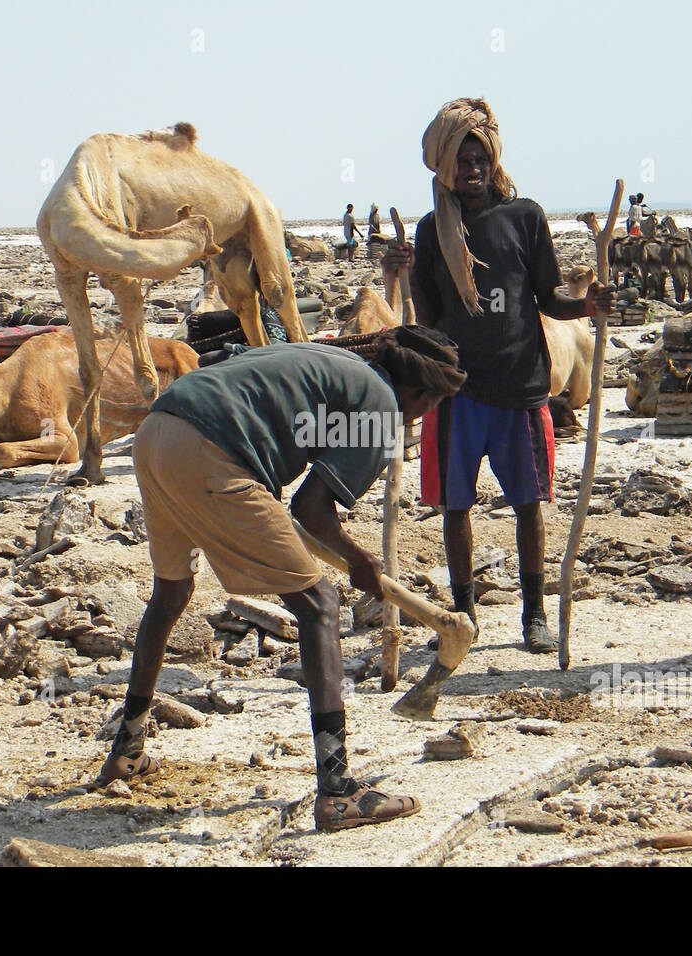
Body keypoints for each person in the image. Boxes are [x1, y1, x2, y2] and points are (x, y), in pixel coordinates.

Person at [96, 328, 468, 831]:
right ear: (422, 397)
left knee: (172, 591)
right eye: (430, 408)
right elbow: (312, 509)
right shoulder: (381, 407)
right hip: (213, 450)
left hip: (159, 431)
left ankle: (127, 750)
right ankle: (337, 792)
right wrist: (360, 560)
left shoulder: (331, 359)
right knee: (319, 606)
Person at [384, 98, 615, 655]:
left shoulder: (524, 218)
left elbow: (549, 295)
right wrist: (403, 274)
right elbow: (432, 321)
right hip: (457, 393)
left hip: (521, 387)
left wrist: (587, 304)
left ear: (492, 161)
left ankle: (534, 613)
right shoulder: (433, 228)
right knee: (455, 508)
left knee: (529, 504)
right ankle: (462, 614)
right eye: (461, 161)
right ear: (445, 168)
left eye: (479, 158)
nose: (471, 170)